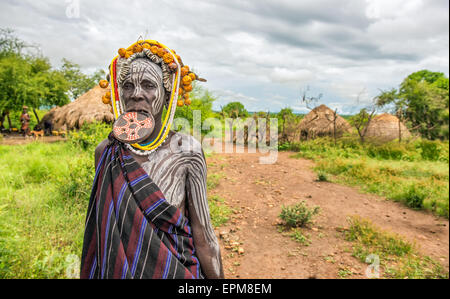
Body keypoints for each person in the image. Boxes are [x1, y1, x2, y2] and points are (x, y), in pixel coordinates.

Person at [80, 40, 224, 279]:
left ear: (167, 95)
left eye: (148, 85)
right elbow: (103, 233)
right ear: (119, 94)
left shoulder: (187, 152)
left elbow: (204, 236)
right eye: (127, 86)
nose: (136, 94)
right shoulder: (106, 152)